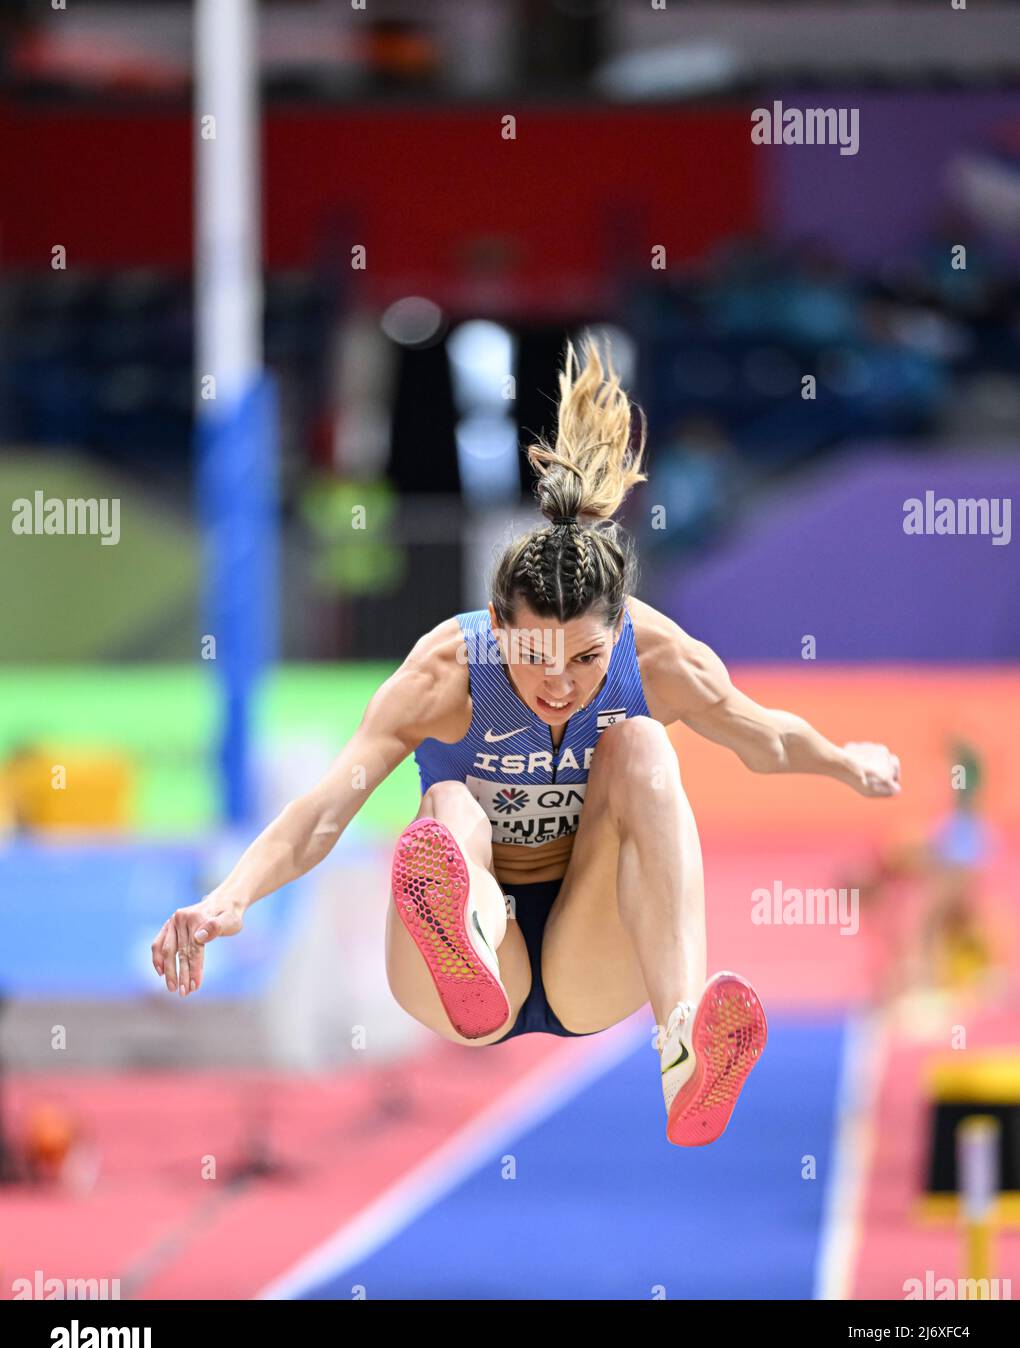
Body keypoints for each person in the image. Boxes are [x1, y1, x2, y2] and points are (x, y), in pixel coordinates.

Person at [153, 335, 901, 1146]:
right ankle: (465, 933)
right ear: (497, 626)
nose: (560, 685)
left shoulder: (659, 658)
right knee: (447, 804)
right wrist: (228, 899)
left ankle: (681, 1043)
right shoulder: (445, 672)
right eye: (535, 657)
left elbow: (766, 741)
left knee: (644, 747)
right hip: (471, 975)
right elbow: (327, 810)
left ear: (618, 632)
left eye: (586, 659)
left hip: (591, 954)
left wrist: (845, 760)